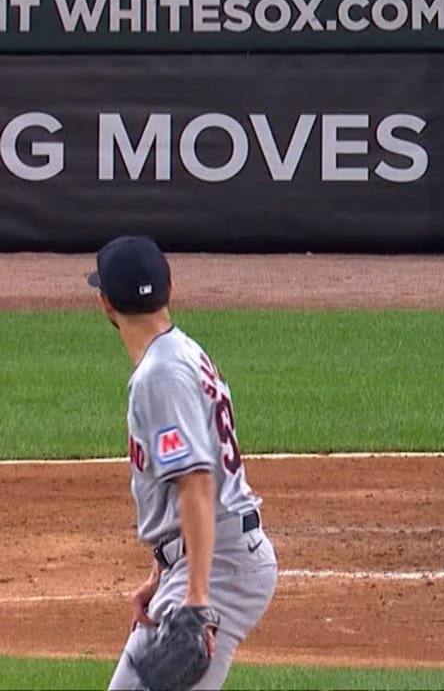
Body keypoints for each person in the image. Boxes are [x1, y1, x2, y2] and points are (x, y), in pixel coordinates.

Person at [88, 236, 277, 690]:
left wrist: (195, 600)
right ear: (170, 288)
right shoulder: (180, 352)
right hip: (206, 560)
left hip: (221, 568)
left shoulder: (160, 375)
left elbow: (196, 483)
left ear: (104, 303)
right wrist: (162, 572)